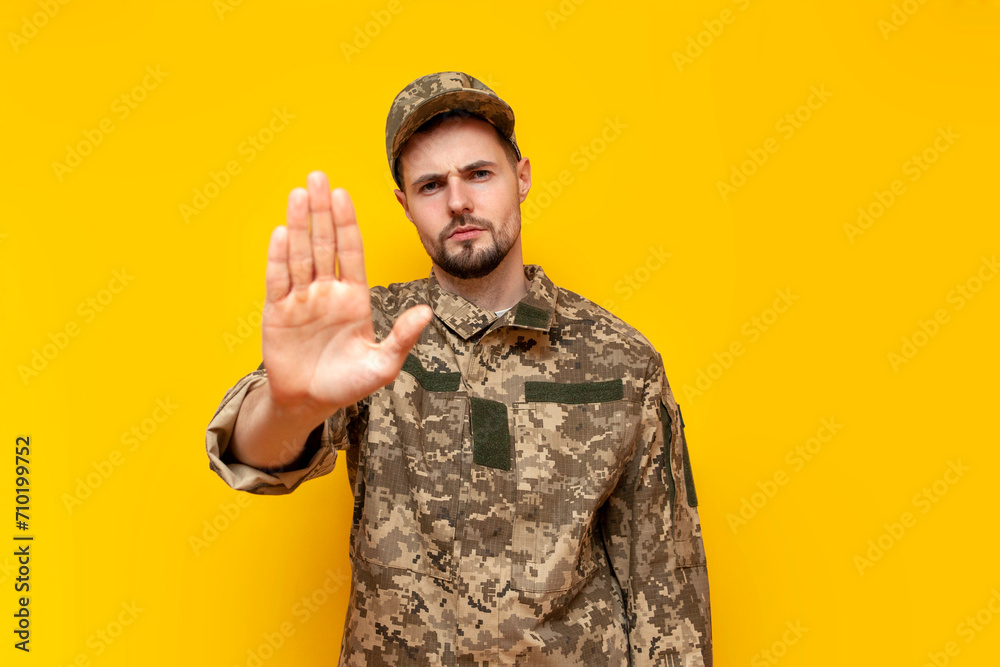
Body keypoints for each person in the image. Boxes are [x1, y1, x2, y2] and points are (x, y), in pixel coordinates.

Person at [204, 71, 712, 666]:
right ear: (406, 205)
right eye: (430, 184)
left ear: (520, 177)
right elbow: (254, 454)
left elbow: (665, 585)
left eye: (478, 173)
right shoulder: (368, 336)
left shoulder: (622, 359)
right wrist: (293, 406)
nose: (458, 201)